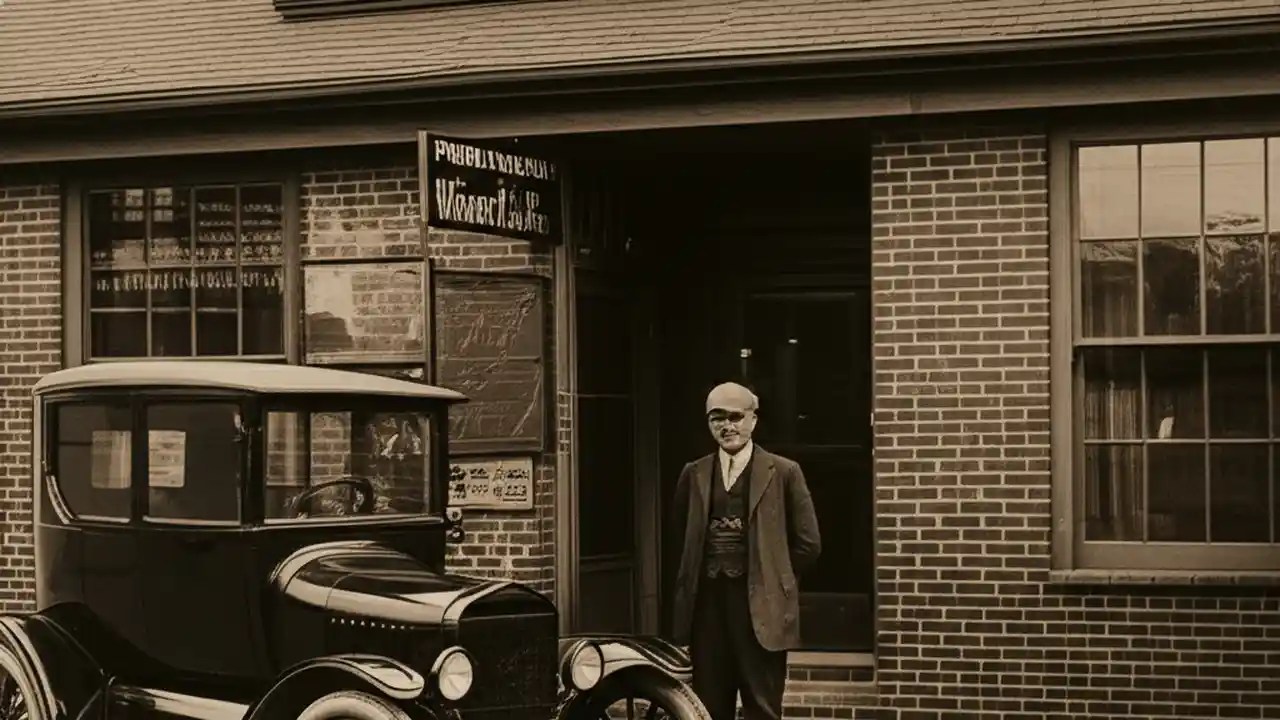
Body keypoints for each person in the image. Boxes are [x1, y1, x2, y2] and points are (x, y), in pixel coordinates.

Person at [668, 381, 822, 720]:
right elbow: (681, 540)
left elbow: (809, 544)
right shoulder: (693, 474)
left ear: (753, 419)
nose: (727, 426)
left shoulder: (783, 472)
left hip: (761, 612)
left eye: (736, 416)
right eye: (717, 418)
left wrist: (773, 575)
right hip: (707, 611)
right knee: (707, 707)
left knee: (762, 707)